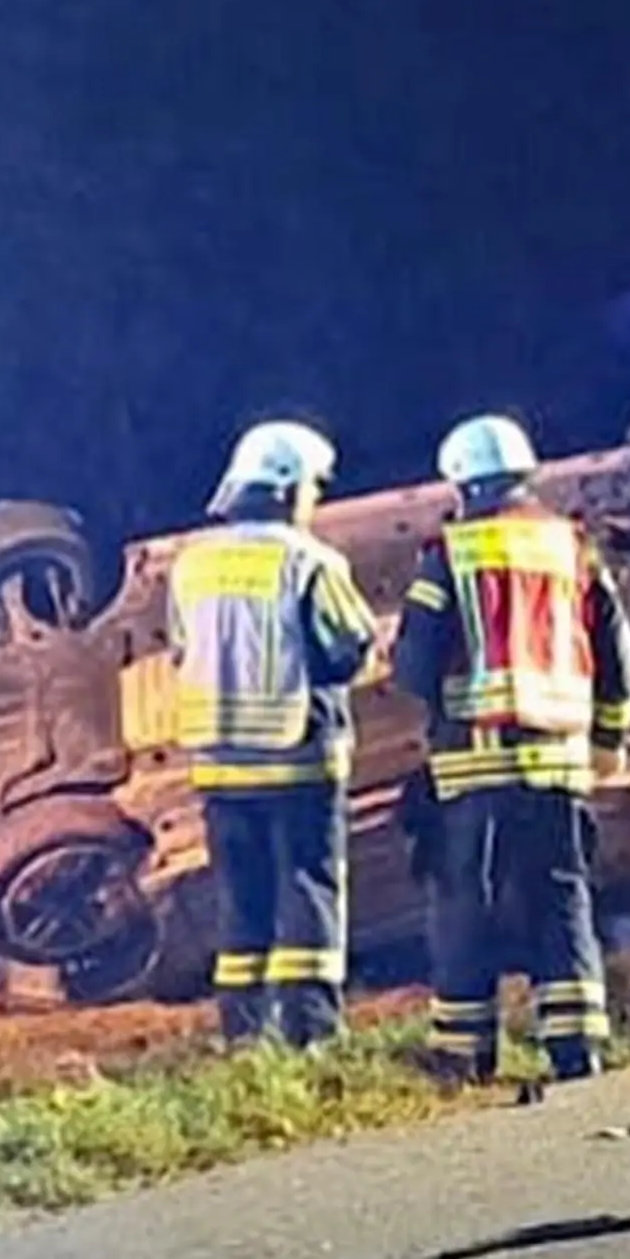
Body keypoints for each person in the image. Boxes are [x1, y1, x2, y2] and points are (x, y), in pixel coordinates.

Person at [391, 413, 630, 1086]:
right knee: (561, 903)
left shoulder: (450, 554)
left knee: (464, 907)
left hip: (473, 771)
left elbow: (413, 666)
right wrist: (608, 739)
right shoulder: (574, 549)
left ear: (462, 484)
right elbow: (620, 657)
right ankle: (576, 1049)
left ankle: (466, 1054)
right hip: (558, 768)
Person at [168, 420, 382, 1047]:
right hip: (298, 761)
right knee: (308, 890)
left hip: (219, 766)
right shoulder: (309, 561)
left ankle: (243, 1035)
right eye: (314, 486)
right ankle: (310, 1035)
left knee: (242, 903)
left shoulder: (192, 565)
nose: (315, 498)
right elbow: (348, 646)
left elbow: (181, 649)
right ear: (288, 488)